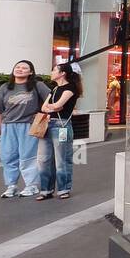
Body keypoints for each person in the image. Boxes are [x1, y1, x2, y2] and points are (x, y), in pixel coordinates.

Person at [0, 60, 51, 199]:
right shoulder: (5, 88)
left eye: (24, 68)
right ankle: (11, 186)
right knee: (8, 156)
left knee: (28, 156)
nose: (20, 69)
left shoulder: (38, 85)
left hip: (29, 125)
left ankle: (32, 186)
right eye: (17, 67)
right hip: (8, 126)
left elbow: (52, 98)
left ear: (31, 72)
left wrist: (45, 113)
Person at [36, 62, 82, 201]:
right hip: (47, 125)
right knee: (44, 159)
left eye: (54, 70)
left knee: (62, 159)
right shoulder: (54, 89)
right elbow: (45, 107)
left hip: (62, 126)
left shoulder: (71, 87)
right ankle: (46, 190)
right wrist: (53, 107)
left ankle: (64, 189)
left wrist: (54, 107)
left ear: (62, 73)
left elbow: (58, 105)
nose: (52, 72)